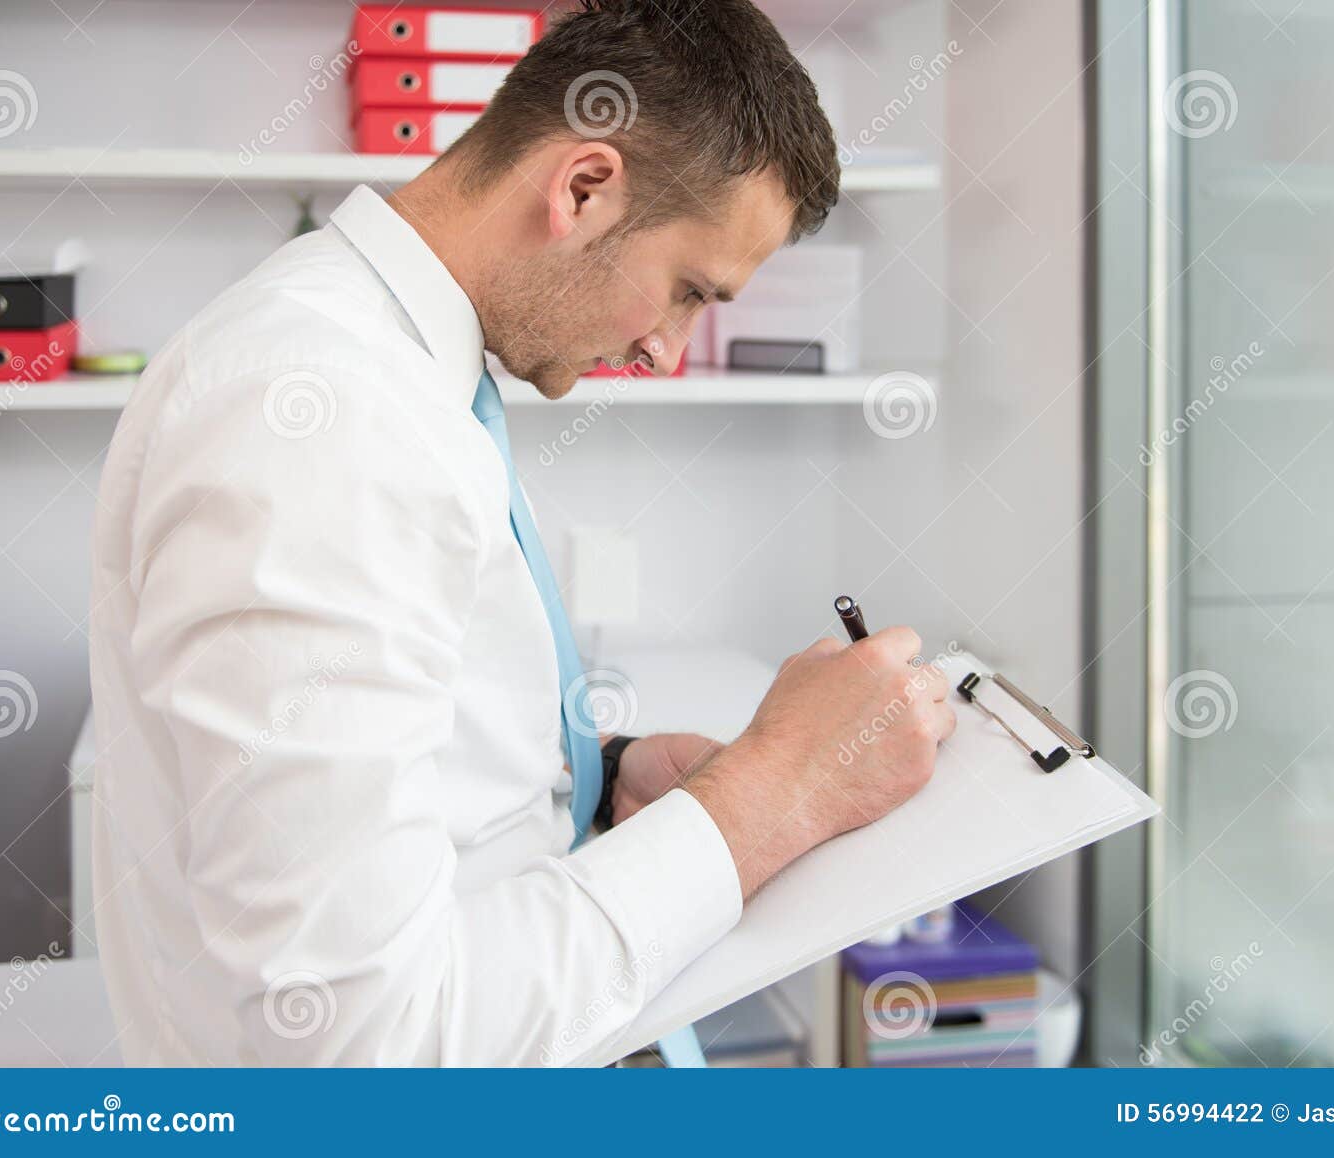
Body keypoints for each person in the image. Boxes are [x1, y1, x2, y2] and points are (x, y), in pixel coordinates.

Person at [87, 0, 955, 1065]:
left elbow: (402, 756)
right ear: (583, 189)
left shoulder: (402, 374)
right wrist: (771, 795)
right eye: (688, 292)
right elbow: (359, 1043)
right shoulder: (318, 413)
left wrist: (598, 777)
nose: (670, 352)